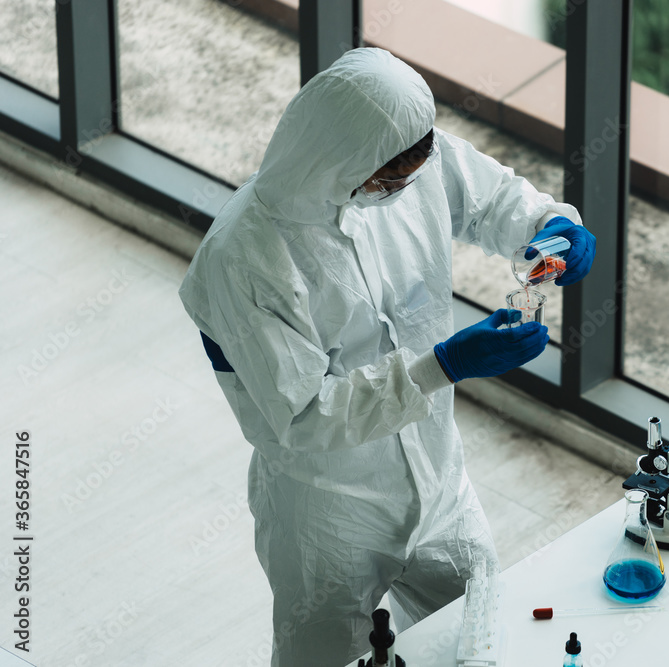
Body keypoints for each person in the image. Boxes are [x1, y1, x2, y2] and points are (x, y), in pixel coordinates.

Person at [178, 47, 596, 666]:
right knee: (323, 658)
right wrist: (443, 365)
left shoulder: (410, 157)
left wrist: (550, 225)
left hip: (437, 477)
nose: (401, 192)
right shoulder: (245, 257)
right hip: (327, 509)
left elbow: (490, 200)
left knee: (485, 636)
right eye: (388, 182)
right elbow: (305, 416)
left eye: (408, 178)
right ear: (342, 160)